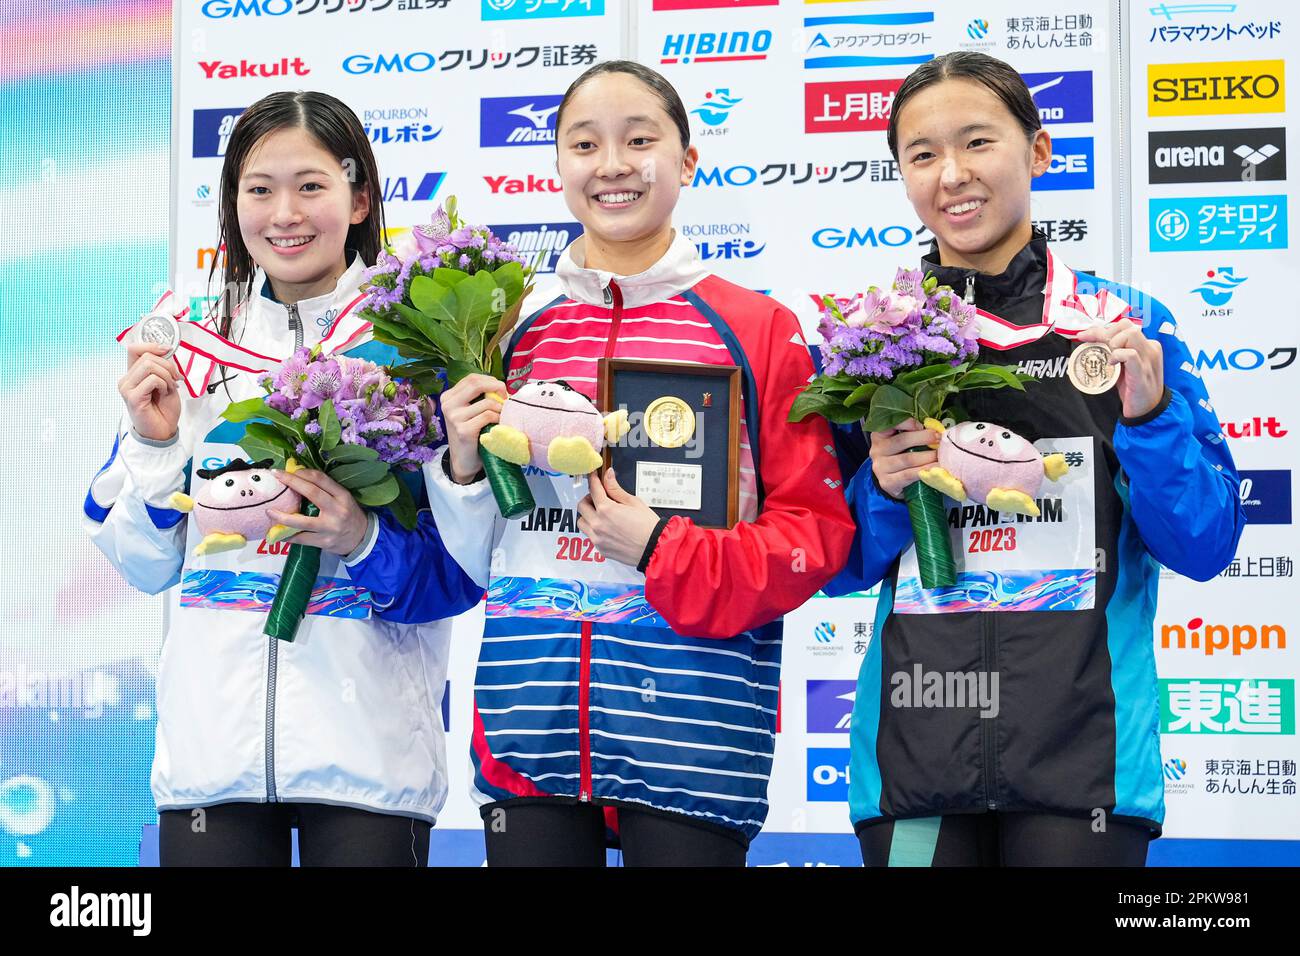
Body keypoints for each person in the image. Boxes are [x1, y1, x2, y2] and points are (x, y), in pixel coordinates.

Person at [426, 60, 855, 866]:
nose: (612, 164)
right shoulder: (510, 331)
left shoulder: (758, 327)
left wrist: (665, 551)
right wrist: (460, 469)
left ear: (688, 161)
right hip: (529, 729)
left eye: (640, 139)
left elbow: (815, 534)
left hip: (695, 731)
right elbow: (476, 558)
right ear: (557, 166)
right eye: (584, 143)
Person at [824, 51, 1245, 867]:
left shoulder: (1125, 327)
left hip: (1084, 769)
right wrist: (882, 486)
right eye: (922, 154)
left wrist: (1151, 417)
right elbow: (834, 566)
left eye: (978, 142)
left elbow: (1204, 544)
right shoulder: (868, 348)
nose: (952, 174)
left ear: (1039, 151)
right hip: (912, 766)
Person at [83, 91, 481, 866]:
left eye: (311, 186)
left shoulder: (419, 350)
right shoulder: (192, 348)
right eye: (259, 189)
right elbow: (141, 562)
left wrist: (361, 540)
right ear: (232, 206)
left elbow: (462, 573)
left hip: (369, 763)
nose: (284, 213)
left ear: (359, 196)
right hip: (213, 763)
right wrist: (155, 441)